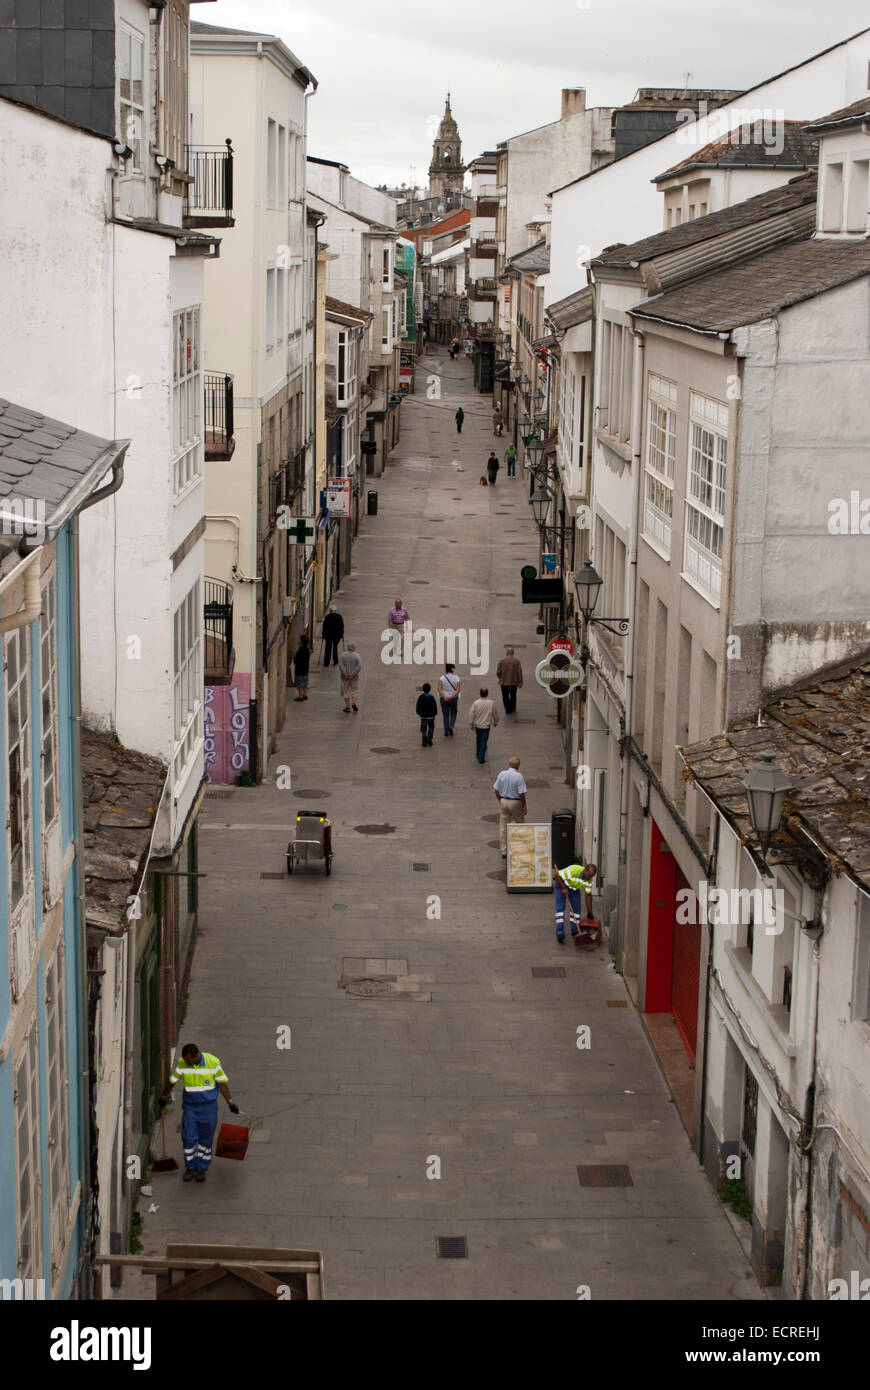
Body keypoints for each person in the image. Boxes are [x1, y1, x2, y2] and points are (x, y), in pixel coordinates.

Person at [159, 1043, 238, 1183]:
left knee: (205, 1139)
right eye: (186, 1061)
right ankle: (190, 1167)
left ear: (197, 1055)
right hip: (190, 1107)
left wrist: (230, 1102)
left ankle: (201, 1168)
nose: (187, 1063)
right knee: (188, 1137)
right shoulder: (183, 1064)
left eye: (189, 1060)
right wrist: (164, 1096)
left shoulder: (212, 1062)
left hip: (208, 1107)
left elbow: (221, 1084)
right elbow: (173, 1081)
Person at [552, 861, 597, 944]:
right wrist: (563, 888)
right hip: (561, 883)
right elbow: (556, 875)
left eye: (592, 876)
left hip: (574, 888)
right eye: (589, 875)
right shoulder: (574, 870)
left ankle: (575, 931)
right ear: (585, 871)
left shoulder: (589, 880)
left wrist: (589, 911)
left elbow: (588, 895)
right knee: (560, 909)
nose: (590, 878)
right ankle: (560, 933)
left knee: (576, 909)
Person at [493, 756, 527, 858]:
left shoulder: (502, 774)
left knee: (503, 826)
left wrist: (500, 799)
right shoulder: (519, 776)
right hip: (515, 802)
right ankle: (519, 846)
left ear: (509, 764)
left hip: (504, 800)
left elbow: (496, 789)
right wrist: (524, 805)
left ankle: (504, 850)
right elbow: (521, 793)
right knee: (519, 824)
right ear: (518, 766)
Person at [468, 686, 499, 764]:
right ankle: (481, 758)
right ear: (487, 694)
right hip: (486, 726)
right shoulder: (491, 703)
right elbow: (495, 713)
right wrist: (496, 722)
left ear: (480, 694)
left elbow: (471, 714)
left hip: (478, 726)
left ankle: (478, 754)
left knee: (478, 739)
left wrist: (471, 724)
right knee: (484, 741)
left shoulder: (476, 703)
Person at [496, 647, 524, 714]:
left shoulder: (501, 661)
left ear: (507, 653)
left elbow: (498, 672)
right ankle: (512, 707)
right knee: (513, 695)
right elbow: (519, 672)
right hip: (514, 682)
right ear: (513, 653)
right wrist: (520, 682)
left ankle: (507, 709)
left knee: (505, 696)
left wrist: (501, 678)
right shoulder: (517, 661)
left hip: (504, 682)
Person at [438, 662, 461, 736]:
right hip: (453, 699)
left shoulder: (442, 678)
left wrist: (445, 697)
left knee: (445, 714)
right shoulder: (457, 678)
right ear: (452, 669)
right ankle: (451, 725)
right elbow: (458, 690)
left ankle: (445, 730)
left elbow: (439, 688)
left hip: (444, 699)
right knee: (454, 712)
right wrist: (451, 697)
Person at [339, 640, 362, 712]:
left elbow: (341, 665)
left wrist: (345, 673)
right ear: (354, 648)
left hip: (344, 677)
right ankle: (354, 703)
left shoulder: (343, 655)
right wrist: (352, 674)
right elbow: (359, 666)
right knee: (354, 691)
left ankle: (347, 707)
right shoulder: (357, 656)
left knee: (346, 691)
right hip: (354, 678)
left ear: (347, 647)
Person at [416, 682, 438, 747]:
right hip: (431, 716)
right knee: (431, 728)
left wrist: (419, 713)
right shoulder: (432, 698)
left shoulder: (420, 697)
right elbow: (435, 707)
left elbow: (418, 707)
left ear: (423, 689)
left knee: (423, 729)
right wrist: (435, 714)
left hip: (423, 716)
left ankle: (424, 741)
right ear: (429, 689)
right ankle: (430, 740)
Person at [293, 634, 310, 701]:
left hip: (300, 669)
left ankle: (300, 696)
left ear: (301, 642)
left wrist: (295, 660)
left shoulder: (300, 650)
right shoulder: (307, 650)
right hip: (305, 668)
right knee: (305, 682)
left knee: (300, 683)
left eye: (299, 640)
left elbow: (297, 659)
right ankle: (305, 694)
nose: (298, 640)